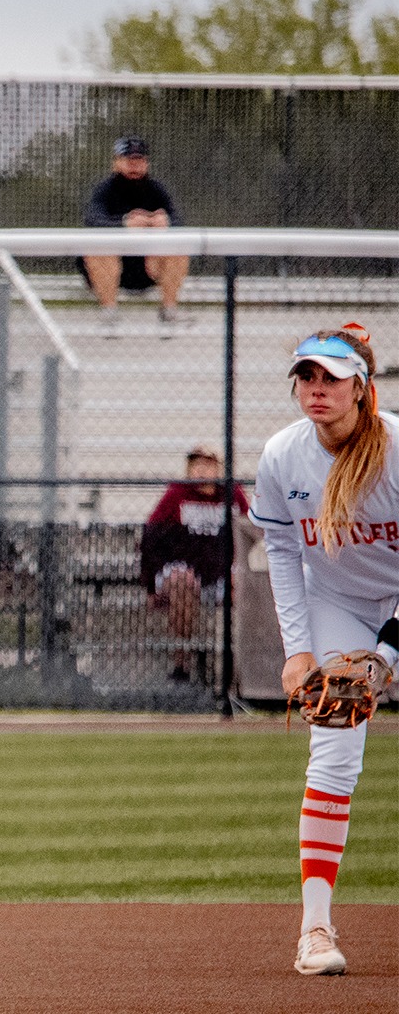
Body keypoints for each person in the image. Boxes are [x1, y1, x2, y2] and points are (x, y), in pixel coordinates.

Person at [249, 323, 399, 976]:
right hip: (337, 606)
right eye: (307, 376)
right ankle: (315, 930)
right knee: (334, 751)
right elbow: (282, 552)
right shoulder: (283, 455)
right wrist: (298, 649)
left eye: (332, 377)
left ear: (361, 389)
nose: (316, 389)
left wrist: (388, 655)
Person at [138, 443, 250, 682]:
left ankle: (239, 675)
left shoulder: (233, 493)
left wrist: (237, 570)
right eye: (195, 464)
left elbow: (250, 533)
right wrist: (150, 585)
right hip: (182, 571)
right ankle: (182, 666)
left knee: (248, 585)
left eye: (207, 464)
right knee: (182, 581)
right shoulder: (177, 494)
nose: (200, 470)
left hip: (220, 575)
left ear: (219, 468)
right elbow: (150, 538)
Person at [80, 136, 190, 330]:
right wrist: (125, 223)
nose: (134, 165)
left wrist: (164, 222)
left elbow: (177, 218)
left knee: (179, 249)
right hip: (115, 269)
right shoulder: (105, 190)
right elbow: (92, 219)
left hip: (149, 268)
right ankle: (109, 314)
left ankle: (169, 311)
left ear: (146, 163)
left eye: (139, 160)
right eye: (129, 160)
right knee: (95, 249)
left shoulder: (156, 189)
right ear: (116, 162)